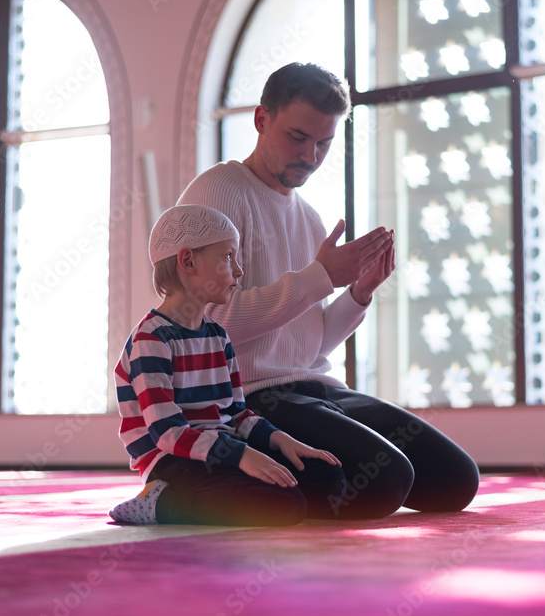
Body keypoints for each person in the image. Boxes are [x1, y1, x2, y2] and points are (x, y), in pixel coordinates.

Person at [178, 62, 479, 519]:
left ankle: (273, 486)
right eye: (298, 137)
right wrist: (320, 277)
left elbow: (309, 341)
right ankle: (203, 480)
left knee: (455, 480)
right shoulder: (217, 192)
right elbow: (206, 325)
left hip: (314, 387)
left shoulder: (310, 217)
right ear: (261, 120)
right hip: (246, 399)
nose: (310, 155)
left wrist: (357, 293)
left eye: (324, 143)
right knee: (385, 481)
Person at [109, 204, 345, 526]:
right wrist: (242, 456)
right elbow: (167, 433)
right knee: (283, 505)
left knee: (329, 479)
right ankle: (161, 500)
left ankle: (227, 488)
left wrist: (282, 441)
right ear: (188, 261)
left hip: (222, 447)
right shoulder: (152, 339)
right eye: (228, 257)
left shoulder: (218, 336)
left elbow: (235, 414)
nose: (239, 271)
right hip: (175, 458)